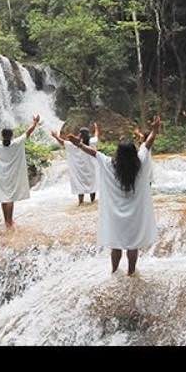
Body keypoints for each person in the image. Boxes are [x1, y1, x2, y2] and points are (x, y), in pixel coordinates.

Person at [65, 115, 161, 276]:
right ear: (133, 153)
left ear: (118, 153)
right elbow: (148, 143)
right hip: (135, 215)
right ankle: (131, 272)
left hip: (115, 214)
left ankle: (114, 271)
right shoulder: (140, 161)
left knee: (116, 245)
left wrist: (79, 144)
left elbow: (93, 153)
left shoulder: (109, 164)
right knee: (133, 245)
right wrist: (155, 129)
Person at [50, 122, 99, 205]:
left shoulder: (72, 144)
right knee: (92, 185)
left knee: (80, 185)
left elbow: (62, 142)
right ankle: (92, 202)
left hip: (79, 170)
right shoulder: (92, 142)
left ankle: (81, 203)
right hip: (91, 169)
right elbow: (96, 135)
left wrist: (55, 136)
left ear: (79, 134)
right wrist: (96, 128)